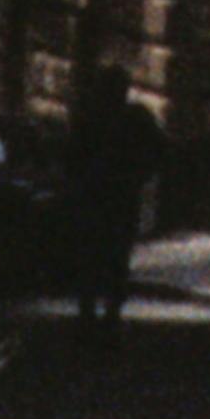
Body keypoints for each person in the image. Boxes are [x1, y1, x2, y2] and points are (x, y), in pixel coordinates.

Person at [55, 52, 161, 341]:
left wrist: (75, 184)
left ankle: (88, 312)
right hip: (120, 197)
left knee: (91, 254)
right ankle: (110, 314)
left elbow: (70, 155)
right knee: (116, 256)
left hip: (94, 195)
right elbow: (157, 152)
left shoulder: (89, 116)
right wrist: (138, 177)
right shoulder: (136, 117)